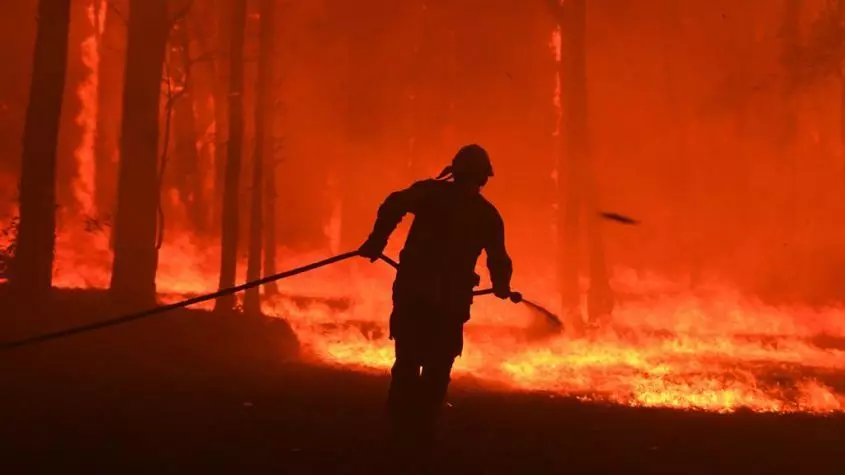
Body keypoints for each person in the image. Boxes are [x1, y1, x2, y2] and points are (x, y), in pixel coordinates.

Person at [358, 144, 514, 471]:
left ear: (454, 170)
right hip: (448, 301)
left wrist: (377, 241)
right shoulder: (486, 214)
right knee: (436, 369)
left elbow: (392, 204)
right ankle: (420, 434)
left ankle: (402, 433)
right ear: (484, 178)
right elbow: (498, 258)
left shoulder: (430, 194)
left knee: (408, 361)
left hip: (415, 293)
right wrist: (501, 285)